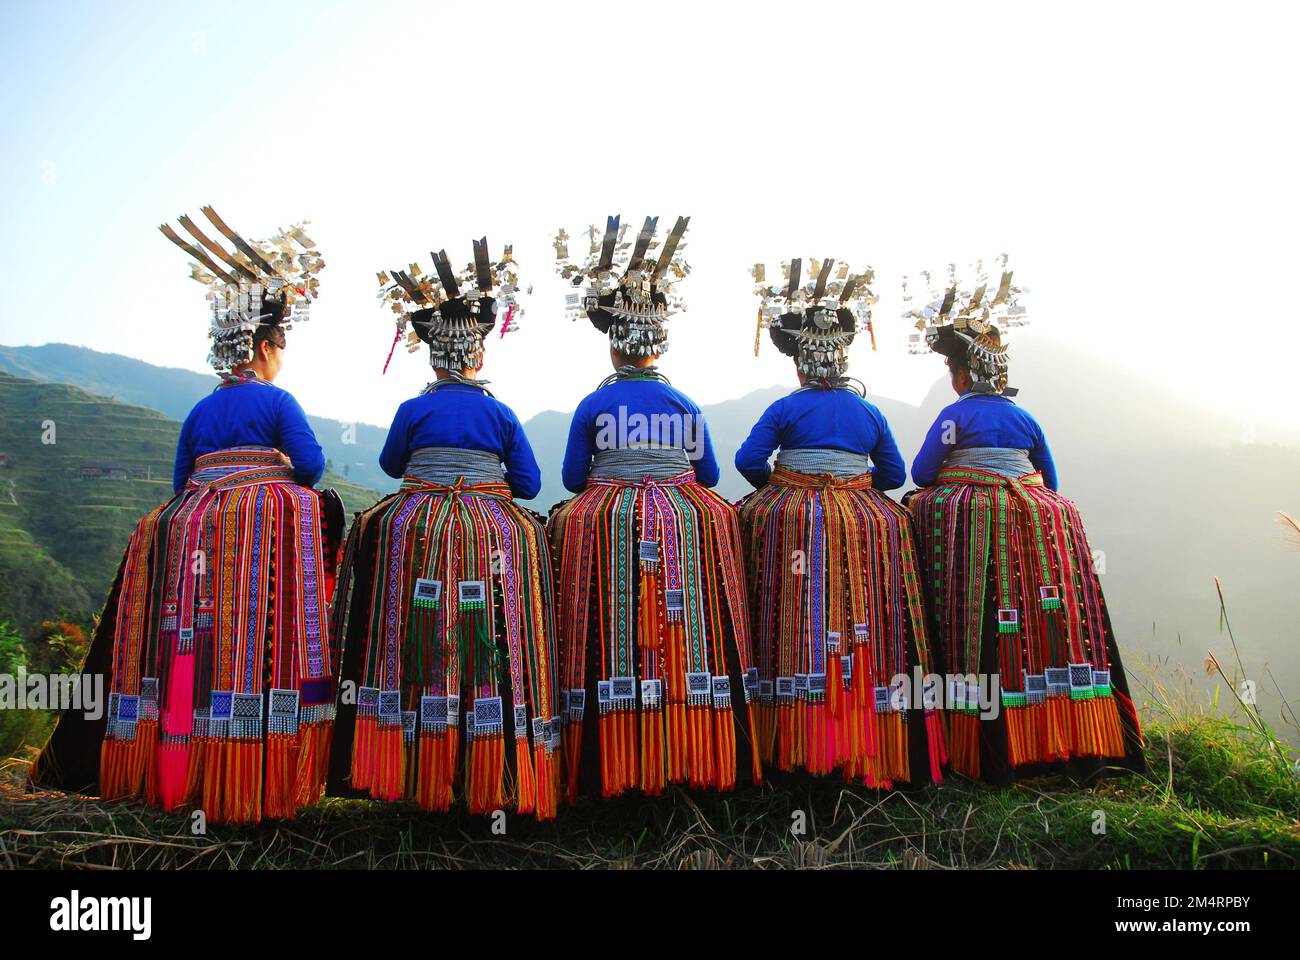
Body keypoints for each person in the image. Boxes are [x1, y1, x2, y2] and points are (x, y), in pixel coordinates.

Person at [32, 209, 343, 823]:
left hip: (190, 536)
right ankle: (255, 768)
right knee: (250, 643)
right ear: (262, 346)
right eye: (280, 345)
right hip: (253, 544)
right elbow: (310, 467)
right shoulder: (277, 399)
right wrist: (269, 472)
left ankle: (174, 763)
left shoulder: (201, 410)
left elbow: (180, 486)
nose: (281, 357)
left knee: (191, 650)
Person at [327, 240, 561, 819]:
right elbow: (529, 485)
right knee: (496, 633)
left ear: (433, 357)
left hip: (418, 531)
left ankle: (403, 762)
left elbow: (388, 466)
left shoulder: (413, 409)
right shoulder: (502, 413)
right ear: (479, 356)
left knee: (418, 640)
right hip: (490, 534)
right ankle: (495, 765)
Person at [548, 215, 761, 801]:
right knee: (686, 630)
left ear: (615, 343)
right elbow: (712, 476)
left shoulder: (594, 404)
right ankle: (694, 745)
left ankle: (608, 761)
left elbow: (569, 478)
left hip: (607, 525)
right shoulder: (684, 403)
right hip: (684, 524)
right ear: (659, 342)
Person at [906, 262, 1144, 782]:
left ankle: (976, 736)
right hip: (1038, 520)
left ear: (963, 375)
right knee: (1048, 625)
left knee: (918, 513)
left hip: (976, 522)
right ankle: (1069, 733)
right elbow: (1050, 480)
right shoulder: (1027, 419)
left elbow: (921, 473)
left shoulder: (955, 417)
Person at [734, 258, 944, 787]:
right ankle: (866, 736)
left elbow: (746, 461)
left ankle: (790, 738)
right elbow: (895, 474)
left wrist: (782, 489)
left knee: (791, 613)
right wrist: (854, 491)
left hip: (792, 522)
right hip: (862, 522)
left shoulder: (785, 408)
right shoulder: (869, 413)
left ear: (800, 366)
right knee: (866, 621)